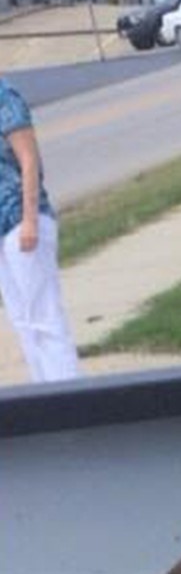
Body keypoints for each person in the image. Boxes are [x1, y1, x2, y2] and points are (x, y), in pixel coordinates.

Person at [0, 73, 80, 382]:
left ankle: (69, 396)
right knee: (23, 321)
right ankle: (44, 395)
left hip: (23, 218)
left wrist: (30, 220)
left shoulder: (5, 97)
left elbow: (29, 160)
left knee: (44, 318)